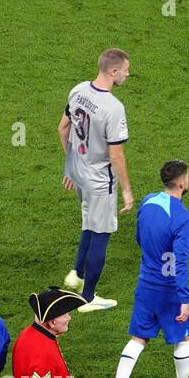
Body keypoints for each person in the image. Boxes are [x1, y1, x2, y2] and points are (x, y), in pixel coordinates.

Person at [109, 160, 189, 378]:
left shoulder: (148, 202)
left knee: (138, 338)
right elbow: (180, 262)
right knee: (184, 336)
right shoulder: (183, 218)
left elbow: (139, 238)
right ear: (183, 182)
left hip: (146, 283)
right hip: (170, 290)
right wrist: (184, 298)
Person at [59, 48, 134, 312]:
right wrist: (126, 190)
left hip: (78, 172)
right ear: (113, 72)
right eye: (125, 70)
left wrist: (69, 166)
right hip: (100, 179)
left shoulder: (78, 90)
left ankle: (77, 274)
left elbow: (63, 128)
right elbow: (116, 155)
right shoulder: (113, 108)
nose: (128, 73)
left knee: (89, 222)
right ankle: (88, 298)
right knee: (101, 232)